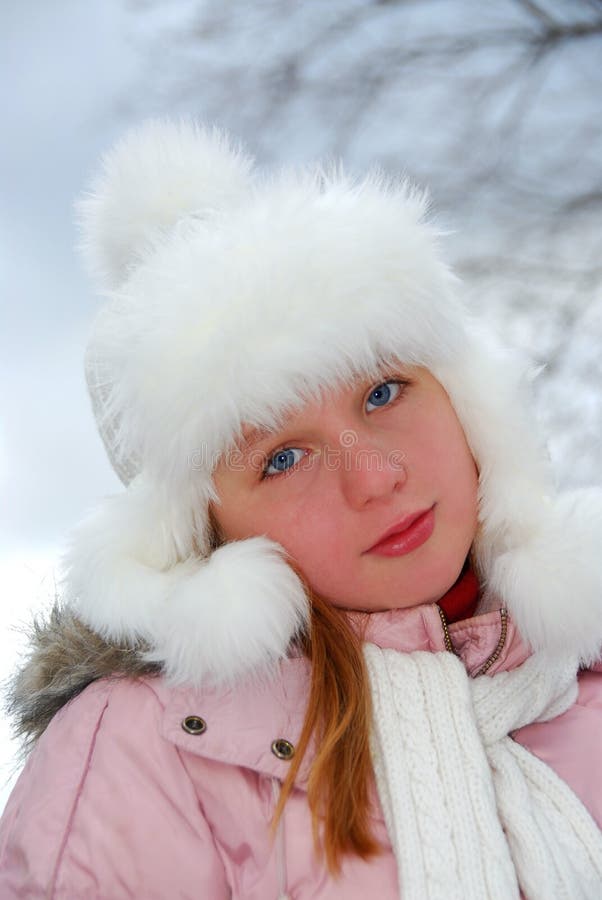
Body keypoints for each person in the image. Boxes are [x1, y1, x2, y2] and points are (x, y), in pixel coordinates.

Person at [1, 120, 602, 900]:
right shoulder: (135, 757)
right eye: (283, 458)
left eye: (384, 392)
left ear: (468, 401)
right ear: (207, 540)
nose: (377, 478)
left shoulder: (580, 673)